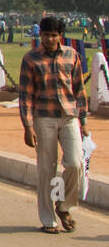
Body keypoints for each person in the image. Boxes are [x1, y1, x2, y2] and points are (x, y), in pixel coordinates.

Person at [19, 16, 88, 234]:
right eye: (45, 35)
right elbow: (25, 95)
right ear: (40, 35)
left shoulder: (71, 55)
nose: (49, 39)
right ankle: (48, 218)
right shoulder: (31, 59)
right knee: (46, 168)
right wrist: (27, 126)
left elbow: (79, 89)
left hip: (69, 115)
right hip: (43, 117)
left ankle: (64, 205)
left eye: (53, 35)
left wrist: (83, 121)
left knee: (75, 162)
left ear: (60, 35)